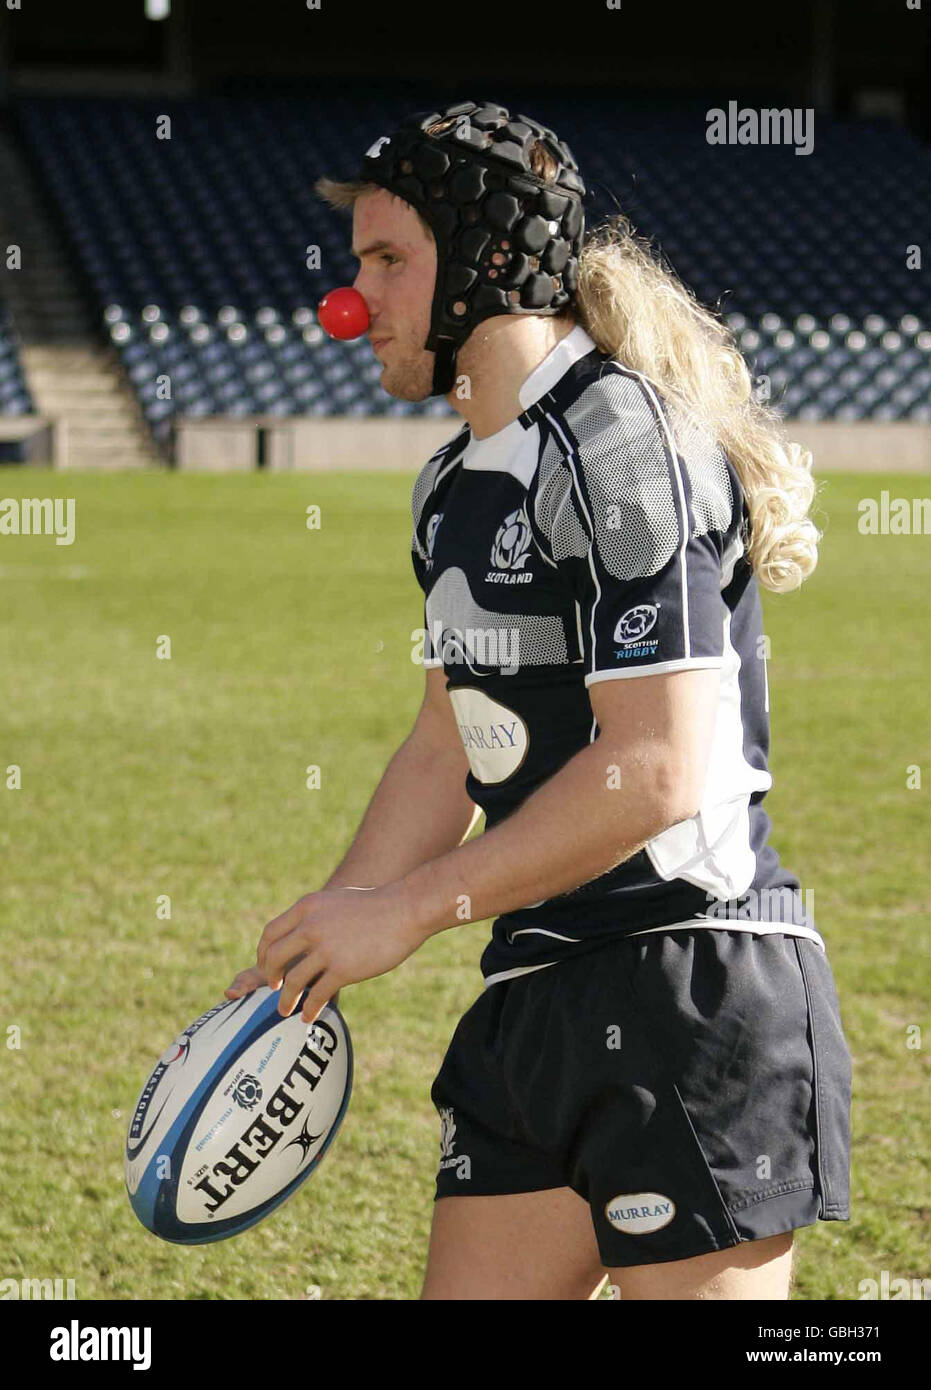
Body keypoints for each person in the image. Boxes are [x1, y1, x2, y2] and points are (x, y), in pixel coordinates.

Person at [226, 100, 852, 1300]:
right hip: (536, 992)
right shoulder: (452, 480)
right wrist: (327, 935)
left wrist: (410, 910)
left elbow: (655, 766)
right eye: (357, 263)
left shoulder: (622, 446)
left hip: (686, 986)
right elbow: (444, 745)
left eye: (387, 262)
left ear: (487, 264)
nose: (349, 302)